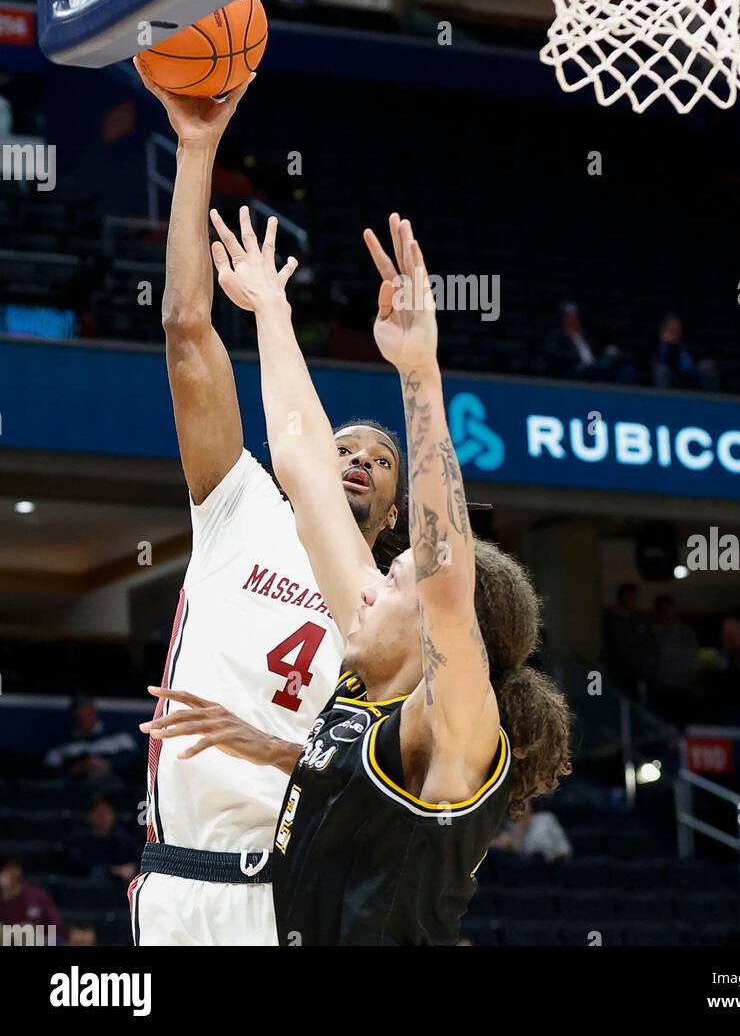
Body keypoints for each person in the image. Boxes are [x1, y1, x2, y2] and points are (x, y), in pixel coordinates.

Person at [145, 212, 572, 945]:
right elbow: (306, 466)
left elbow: (442, 578)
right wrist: (272, 313)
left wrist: (420, 376)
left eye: (391, 580)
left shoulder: (454, 728)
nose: (366, 588)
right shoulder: (369, 682)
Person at [131, 67, 404, 947]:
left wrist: (272, 747)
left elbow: (397, 799)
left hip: (290, 895)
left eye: (380, 459)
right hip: (172, 884)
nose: (359, 458)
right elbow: (185, 334)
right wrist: (197, 148)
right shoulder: (240, 501)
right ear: (305, 466)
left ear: (395, 511)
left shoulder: (391, 611)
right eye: (344, 448)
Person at [44, 694, 138, 786]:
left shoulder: (118, 736)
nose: (84, 719)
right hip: (75, 788)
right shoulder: (63, 744)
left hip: (111, 788)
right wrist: (74, 769)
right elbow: (50, 769)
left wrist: (109, 764)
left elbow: (135, 761)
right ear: (74, 716)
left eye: (87, 713)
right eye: (79, 715)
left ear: (94, 713)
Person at [67, 797, 138, 884]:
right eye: (99, 812)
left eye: (107, 812)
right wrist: (111, 871)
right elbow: (78, 867)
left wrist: (131, 868)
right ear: (90, 815)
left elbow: (134, 861)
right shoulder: (79, 840)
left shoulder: (123, 840)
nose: (103, 816)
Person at [651, 312, 718, 392]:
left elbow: (698, 357)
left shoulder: (689, 341)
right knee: (661, 370)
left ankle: (712, 399)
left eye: (677, 326)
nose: (674, 329)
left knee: (706, 367)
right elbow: (660, 361)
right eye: (671, 326)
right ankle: (663, 401)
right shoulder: (658, 343)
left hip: (692, 375)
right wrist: (668, 345)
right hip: (672, 376)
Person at [0, 855, 61, 941]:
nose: (9, 873)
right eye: (4, 870)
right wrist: (6, 895)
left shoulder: (37, 896)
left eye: (13, 868)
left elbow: (55, 928)